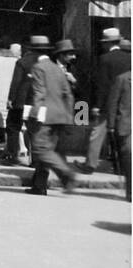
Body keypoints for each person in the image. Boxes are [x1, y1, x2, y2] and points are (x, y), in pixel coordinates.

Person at [25, 36, 78, 196]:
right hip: (60, 115)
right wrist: (69, 116)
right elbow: (68, 95)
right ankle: (39, 186)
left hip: (45, 115)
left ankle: (66, 174)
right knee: (47, 150)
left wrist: (33, 115)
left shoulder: (38, 68)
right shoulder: (58, 69)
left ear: (33, 52)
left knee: (40, 150)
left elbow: (39, 93)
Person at [82, 27, 130, 174]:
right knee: (124, 136)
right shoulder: (129, 58)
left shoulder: (104, 59)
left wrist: (97, 104)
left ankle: (90, 163)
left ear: (107, 43)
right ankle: (123, 166)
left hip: (109, 102)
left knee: (98, 133)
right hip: (127, 103)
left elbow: (102, 84)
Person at [106, 69, 131, 202]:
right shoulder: (122, 79)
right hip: (127, 125)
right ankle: (131, 191)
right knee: (129, 155)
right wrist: (110, 125)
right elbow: (113, 102)